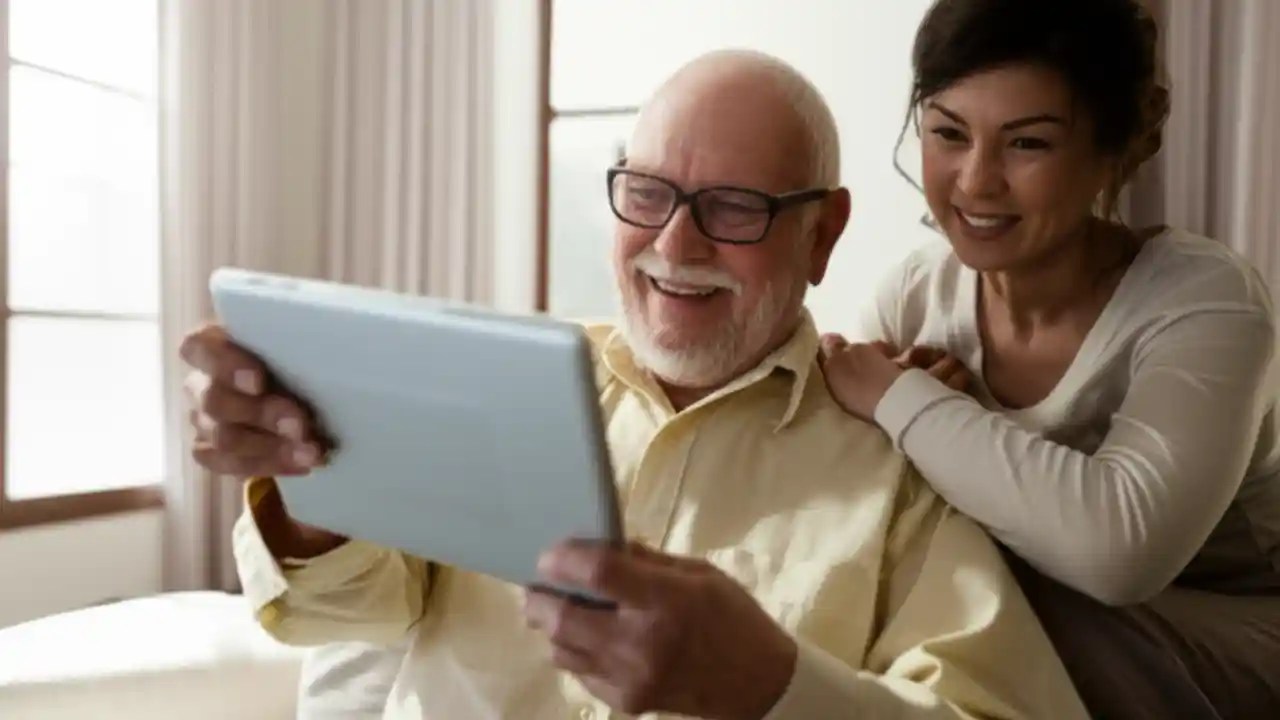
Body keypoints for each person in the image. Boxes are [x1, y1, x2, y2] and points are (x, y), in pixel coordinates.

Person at [181, 50, 1089, 719]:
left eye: (733, 207)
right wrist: (308, 486)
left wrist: (774, 688)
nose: (675, 245)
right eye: (648, 192)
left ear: (821, 235)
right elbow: (337, 609)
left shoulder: (903, 466)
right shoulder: (488, 384)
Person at [819, 1, 1280, 717]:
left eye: (1027, 143)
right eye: (948, 133)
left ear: (1114, 149)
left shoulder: (1206, 300)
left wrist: (906, 403)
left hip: (1239, 631)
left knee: (999, 596)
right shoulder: (914, 294)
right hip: (1062, 636)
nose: (976, 181)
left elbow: (1118, 554)